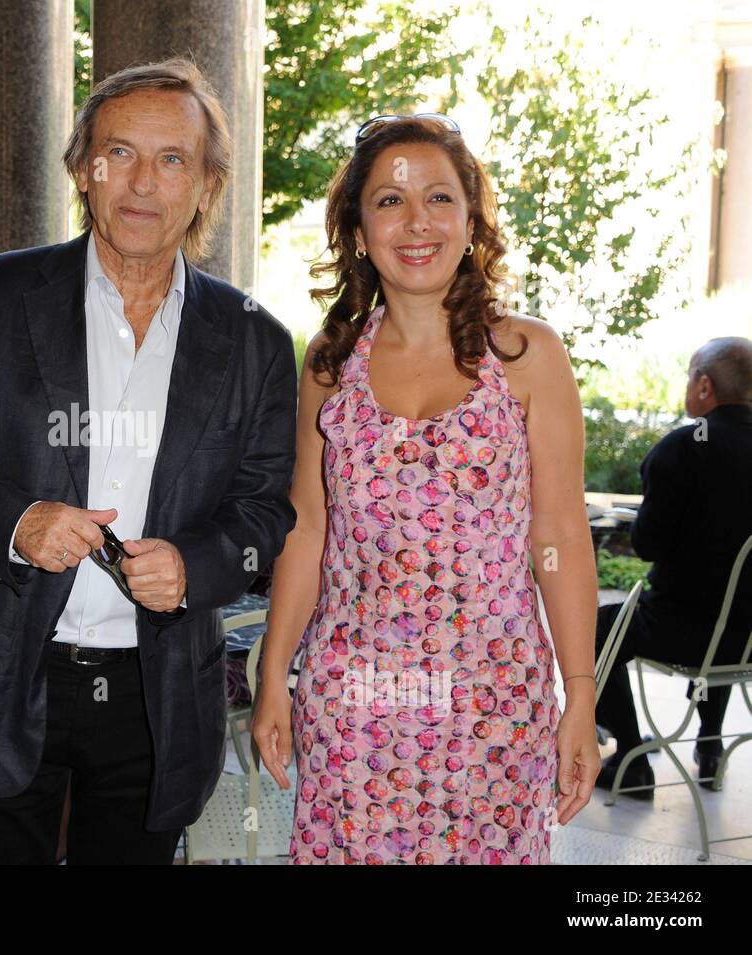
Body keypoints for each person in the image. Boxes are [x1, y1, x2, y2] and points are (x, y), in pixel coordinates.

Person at [0, 57, 297, 865]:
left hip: (160, 695)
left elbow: (264, 511)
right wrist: (17, 520)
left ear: (207, 183)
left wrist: (193, 565)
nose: (143, 183)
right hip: (3, 671)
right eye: (119, 154)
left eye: (172, 158)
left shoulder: (254, 337)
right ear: (84, 168)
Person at [252, 114, 600, 864]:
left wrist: (580, 696)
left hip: (492, 701)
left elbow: (560, 536)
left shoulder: (528, 355)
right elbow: (308, 530)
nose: (417, 223)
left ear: (472, 217)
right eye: (389, 201)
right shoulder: (329, 362)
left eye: (440, 198)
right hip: (353, 701)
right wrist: (274, 675)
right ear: (356, 228)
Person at [594, 337, 752, 796]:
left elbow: (647, 545)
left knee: (599, 625)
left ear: (704, 386)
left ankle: (630, 758)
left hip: (682, 629)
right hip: (744, 637)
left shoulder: (685, 448)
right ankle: (710, 742)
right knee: (729, 609)